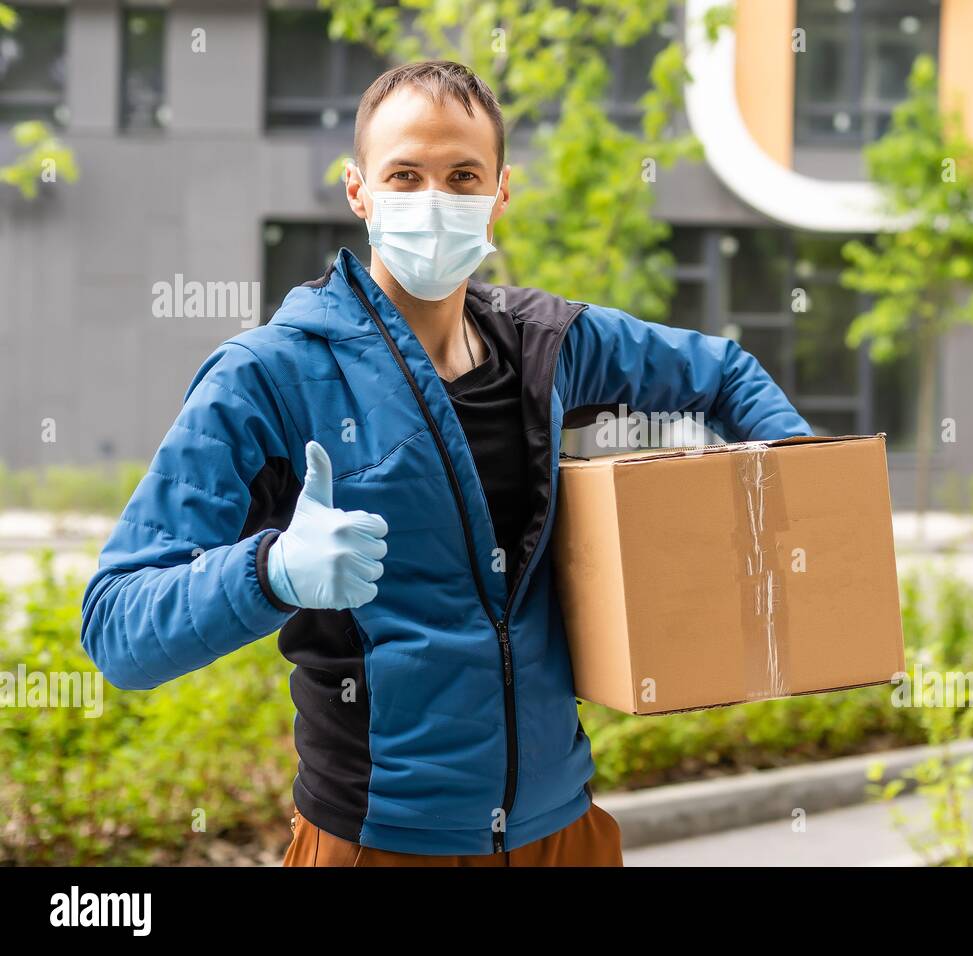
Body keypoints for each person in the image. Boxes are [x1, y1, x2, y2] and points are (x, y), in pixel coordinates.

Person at [81, 60, 811, 867]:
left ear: (500, 194)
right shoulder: (267, 377)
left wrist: (806, 501)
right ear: (358, 191)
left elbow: (725, 373)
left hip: (560, 831)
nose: (434, 199)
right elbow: (116, 627)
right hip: (381, 843)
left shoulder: (550, 345)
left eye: (463, 174)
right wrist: (272, 573)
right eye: (405, 174)